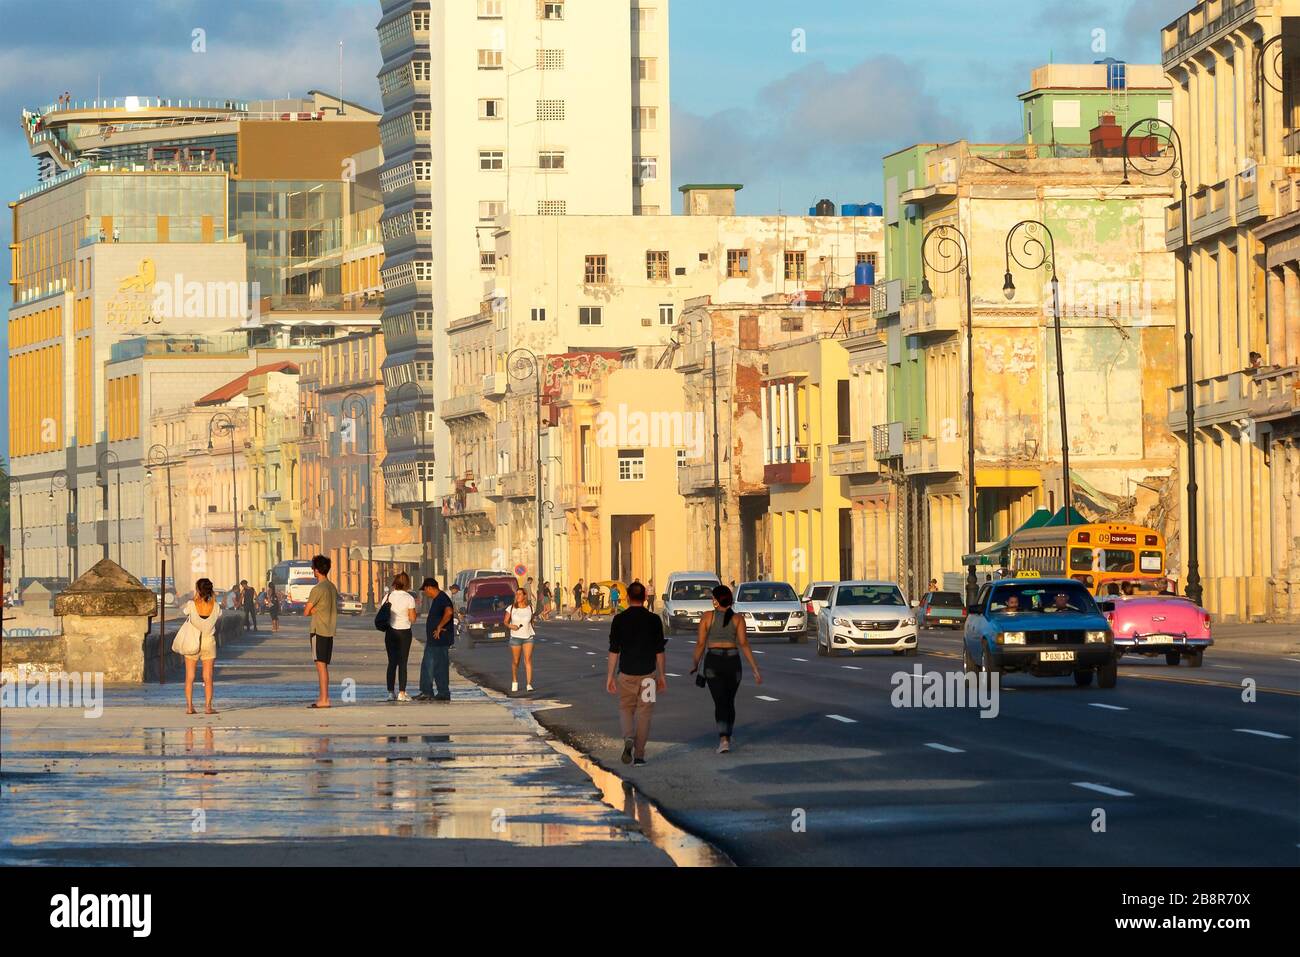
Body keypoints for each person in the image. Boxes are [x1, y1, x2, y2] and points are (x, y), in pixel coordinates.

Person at [690, 584, 762, 754]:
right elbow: (743, 644)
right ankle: (727, 736)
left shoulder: (708, 617)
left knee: (720, 701)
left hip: (713, 662)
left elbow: (701, 643)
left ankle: (724, 739)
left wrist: (695, 663)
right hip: (733, 662)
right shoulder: (738, 619)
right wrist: (755, 669)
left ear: (715, 600)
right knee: (729, 701)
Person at [606, 581, 666, 766]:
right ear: (645, 598)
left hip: (626, 674)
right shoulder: (654, 620)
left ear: (627, 597)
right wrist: (662, 676)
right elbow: (659, 652)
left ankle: (628, 737)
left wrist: (610, 676)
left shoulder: (619, 620)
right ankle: (639, 756)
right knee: (645, 714)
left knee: (626, 708)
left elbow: (614, 651)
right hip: (649, 675)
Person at [180, 578, 221, 715]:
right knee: (208, 676)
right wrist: (212, 598)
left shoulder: (191, 604)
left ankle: (190, 707)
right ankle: (208, 707)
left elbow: (185, 612)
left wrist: (195, 598)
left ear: (198, 590)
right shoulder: (216, 606)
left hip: (193, 641)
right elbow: (219, 615)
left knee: (190, 676)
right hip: (209, 642)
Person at [304, 555, 339, 708]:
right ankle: (325, 697)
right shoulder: (332, 587)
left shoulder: (317, 589)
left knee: (320, 665)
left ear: (317, 570)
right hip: (330, 630)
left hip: (318, 630)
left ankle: (323, 699)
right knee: (324, 665)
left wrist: (315, 610)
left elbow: (306, 611)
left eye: (313, 568)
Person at [382, 572, 418, 702]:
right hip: (404, 633)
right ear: (407, 584)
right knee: (403, 663)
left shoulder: (388, 596)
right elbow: (413, 619)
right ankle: (402, 693)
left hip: (390, 632)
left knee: (392, 662)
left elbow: (383, 612)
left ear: (395, 583)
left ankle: (390, 692)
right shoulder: (409, 598)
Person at [418, 578, 454, 701]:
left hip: (439, 639)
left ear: (429, 587)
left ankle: (436, 692)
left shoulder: (442, 598)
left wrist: (439, 626)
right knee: (435, 666)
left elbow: (449, 612)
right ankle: (435, 692)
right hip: (435, 640)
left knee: (433, 666)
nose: (425, 593)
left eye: (425, 590)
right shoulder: (438, 599)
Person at [505, 587, 536, 693]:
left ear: (524, 596)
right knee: (516, 661)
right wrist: (511, 626)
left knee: (528, 660)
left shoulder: (530, 608)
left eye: (519, 594)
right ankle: (514, 681)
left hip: (528, 637)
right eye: (516, 594)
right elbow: (505, 621)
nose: (517, 596)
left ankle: (529, 684)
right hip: (515, 637)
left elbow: (532, 620)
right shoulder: (511, 608)